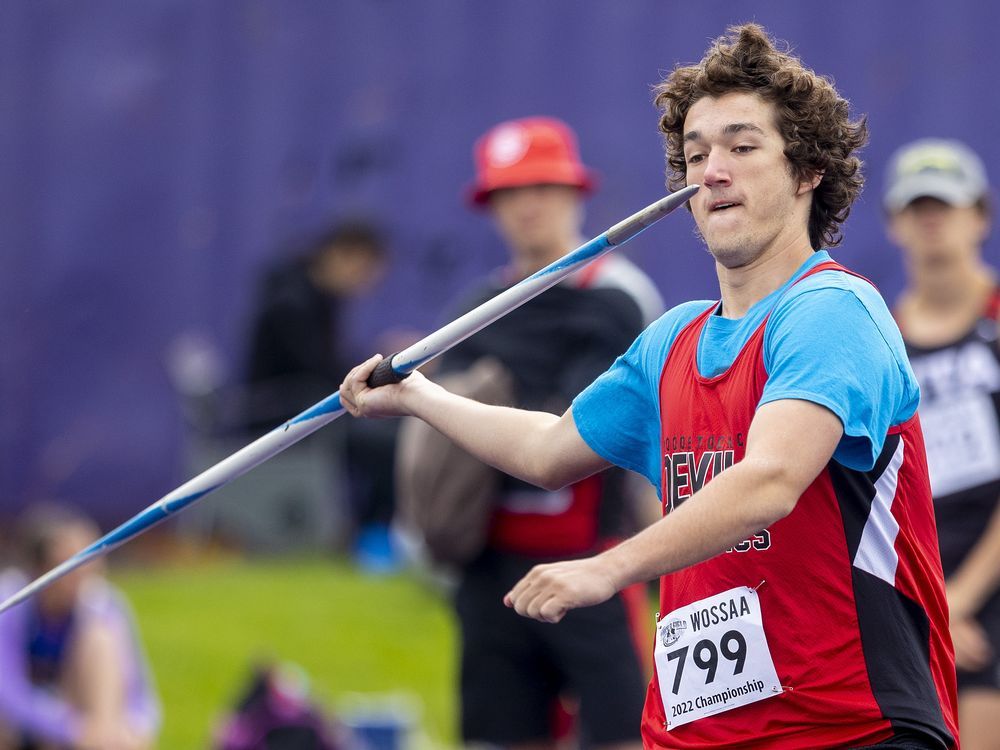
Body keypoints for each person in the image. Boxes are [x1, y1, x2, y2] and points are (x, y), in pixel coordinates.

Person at [341, 24, 960, 750]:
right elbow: (548, 449)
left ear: (807, 171)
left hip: (847, 728)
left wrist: (609, 568)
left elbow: (770, 480)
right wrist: (417, 397)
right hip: (698, 734)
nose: (712, 171)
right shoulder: (673, 341)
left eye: (741, 146)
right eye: (696, 155)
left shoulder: (829, 311)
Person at [396, 116, 659, 750]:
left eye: (542, 186)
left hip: (594, 559)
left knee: (627, 732)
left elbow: (625, 429)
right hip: (491, 568)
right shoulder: (471, 311)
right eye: (510, 193)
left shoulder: (619, 299)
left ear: (575, 192)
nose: (528, 205)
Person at [884, 138, 1000, 750]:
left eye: (947, 206)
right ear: (895, 223)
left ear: (979, 215)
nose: (933, 221)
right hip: (912, 594)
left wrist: (961, 599)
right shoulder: (880, 340)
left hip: (986, 590)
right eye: (917, 207)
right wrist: (927, 602)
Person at [242, 221, 400, 568]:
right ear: (341, 255)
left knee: (393, 434)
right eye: (364, 268)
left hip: (305, 404)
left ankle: (377, 534)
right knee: (389, 446)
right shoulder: (292, 302)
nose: (366, 280)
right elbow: (320, 369)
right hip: (283, 414)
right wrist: (385, 367)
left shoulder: (315, 296)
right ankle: (372, 538)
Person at [0, 504, 161, 750]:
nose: (87, 575)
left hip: (83, 715)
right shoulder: (12, 600)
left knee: (101, 640)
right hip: (24, 723)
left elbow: (139, 691)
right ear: (41, 570)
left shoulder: (102, 603)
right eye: (73, 565)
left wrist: (132, 728)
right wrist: (68, 726)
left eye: (95, 562)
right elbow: (8, 692)